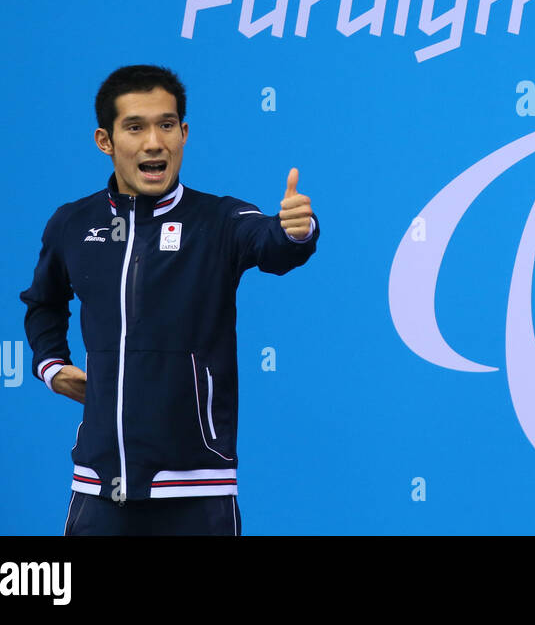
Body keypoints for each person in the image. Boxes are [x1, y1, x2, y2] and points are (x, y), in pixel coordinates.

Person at [21, 65, 319, 535]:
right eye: (135, 127)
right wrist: (53, 366)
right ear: (106, 141)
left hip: (198, 489)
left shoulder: (219, 219)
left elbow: (271, 244)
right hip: (99, 486)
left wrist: (295, 231)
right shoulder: (72, 224)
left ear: (183, 134)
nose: (153, 142)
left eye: (166, 125)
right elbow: (43, 303)